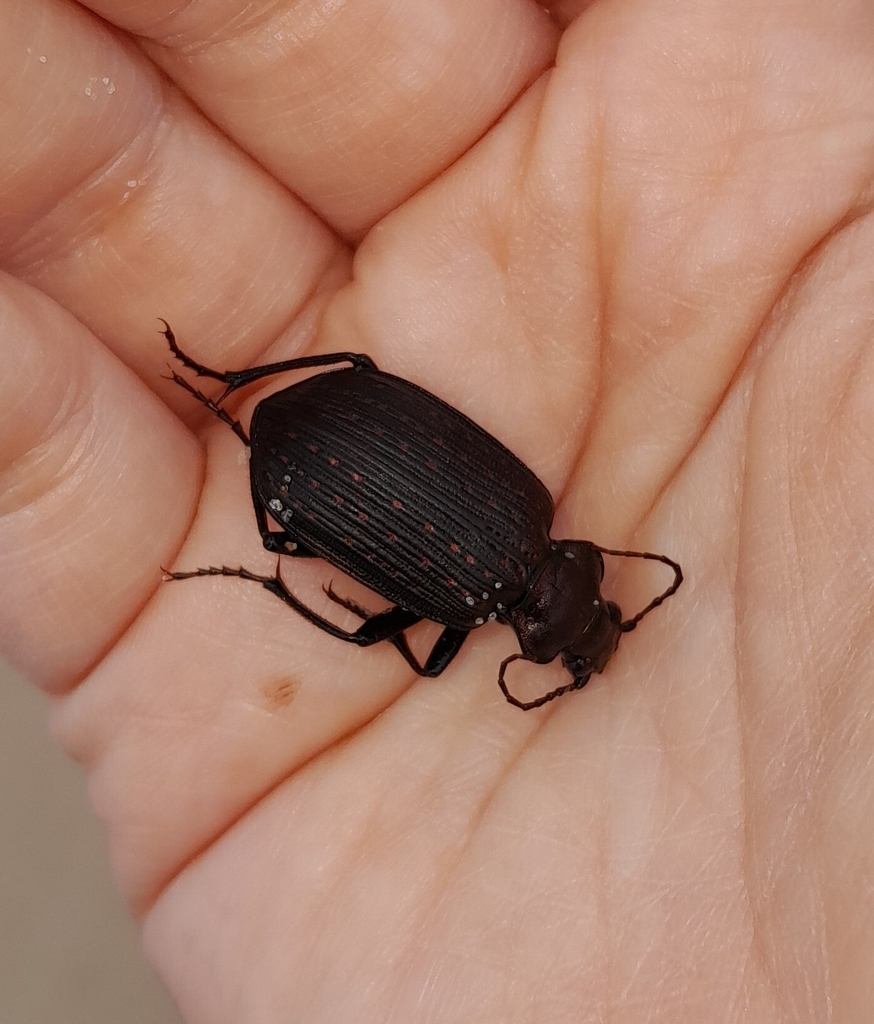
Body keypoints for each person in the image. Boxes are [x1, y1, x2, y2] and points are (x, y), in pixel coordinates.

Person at [1, 0, 872, 1019]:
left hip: (334, 414)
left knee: (336, 469)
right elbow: (403, 610)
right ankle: (239, 459)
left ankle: (229, 404)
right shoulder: (458, 614)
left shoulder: (526, 505)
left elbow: (386, 393)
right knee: (322, 568)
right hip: (315, 457)